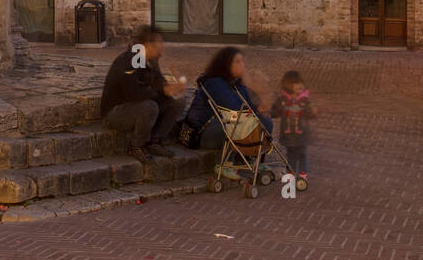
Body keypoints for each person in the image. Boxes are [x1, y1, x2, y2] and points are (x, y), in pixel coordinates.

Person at [100, 25, 187, 158]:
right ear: (148, 45)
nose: (161, 47)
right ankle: (136, 146)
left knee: (177, 103)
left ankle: (155, 141)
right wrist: (161, 91)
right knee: (149, 107)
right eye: (159, 43)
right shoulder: (129, 61)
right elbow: (133, 94)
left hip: (140, 106)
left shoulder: (151, 61)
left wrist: (170, 88)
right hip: (116, 112)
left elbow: (158, 82)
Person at [182, 47, 272, 175]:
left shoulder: (236, 84)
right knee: (237, 122)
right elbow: (234, 109)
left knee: (265, 121)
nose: (243, 65)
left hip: (226, 124)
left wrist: (260, 109)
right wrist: (251, 87)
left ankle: (254, 159)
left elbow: (249, 107)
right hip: (201, 133)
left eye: (243, 61)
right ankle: (225, 164)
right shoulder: (215, 83)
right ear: (226, 64)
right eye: (238, 62)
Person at [270, 70, 315, 181]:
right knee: (291, 156)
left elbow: (310, 114)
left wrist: (311, 112)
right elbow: (274, 113)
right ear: (288, 85)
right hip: (288, 135)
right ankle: (290, 174)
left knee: (302, 154)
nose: (300, 85)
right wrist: (274, 109)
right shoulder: (282, 100)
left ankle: (302, 176)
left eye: (301, 82)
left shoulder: (305, 100)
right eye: (296, 83)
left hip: (302, 135)